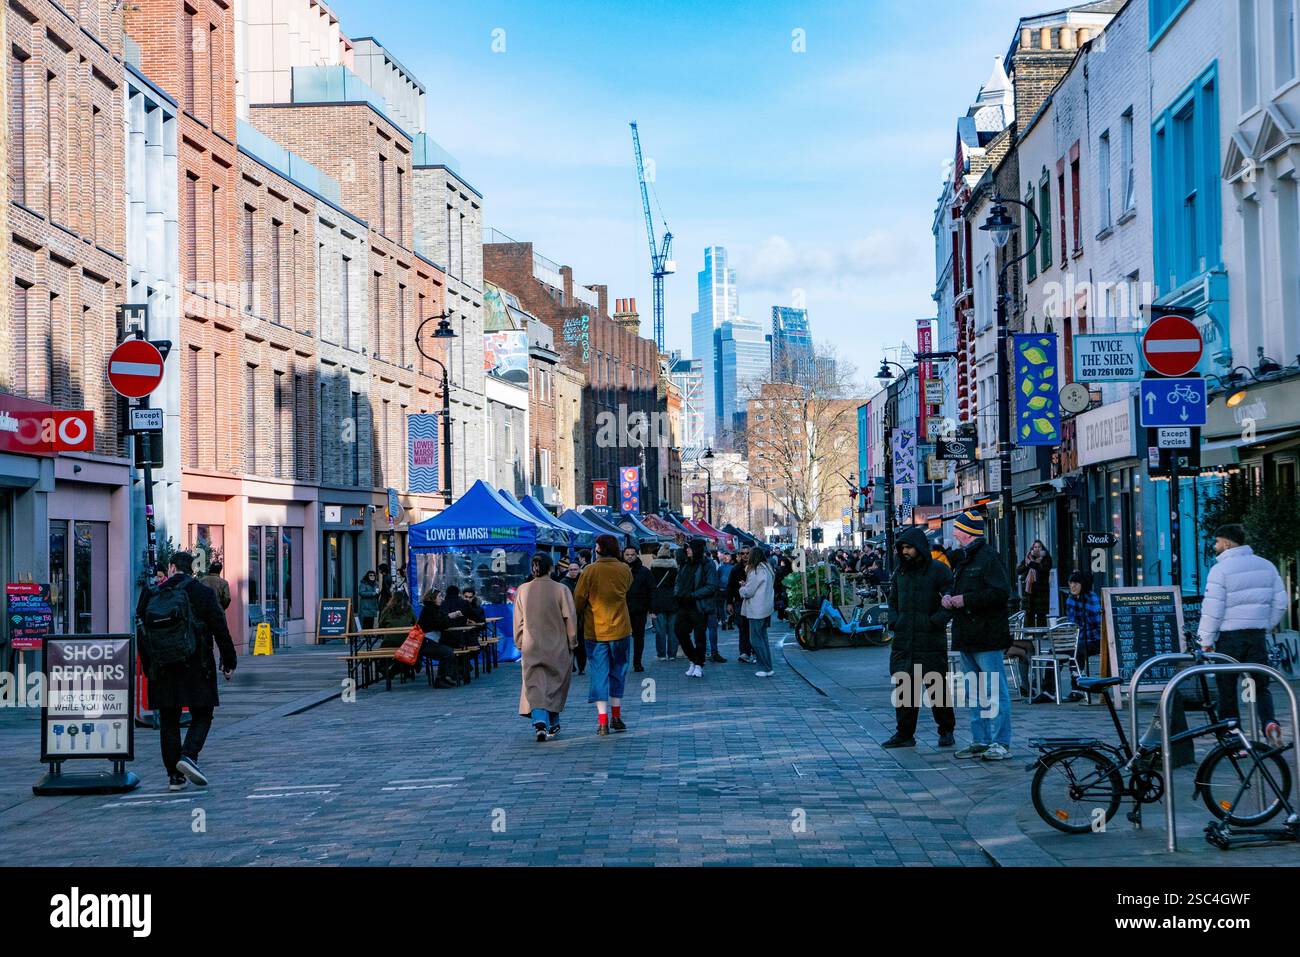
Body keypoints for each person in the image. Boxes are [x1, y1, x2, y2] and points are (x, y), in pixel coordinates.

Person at [136, 551, 237, 792]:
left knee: (169, 719)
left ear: (171, 567)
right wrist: (228, 661)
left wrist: (149, 665)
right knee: (203, 713)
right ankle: (189, 755)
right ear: (192, 570)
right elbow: (219, 628)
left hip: (162, 668)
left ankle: (174, 777)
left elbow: (142, 629)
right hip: (196, 664)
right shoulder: (202, 593)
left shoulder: (152, 593)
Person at [1197, 524, 1289, 745]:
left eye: (1217, 541)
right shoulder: (1266, 566)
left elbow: (1213, 610)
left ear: (1227, 543)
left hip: (1230, 639)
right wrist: (1264, 625)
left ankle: (1234, 739)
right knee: (1259, 685)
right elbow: (1281, 602)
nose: (1215, 546)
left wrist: (1205, 642)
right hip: (1256, 636)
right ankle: (1269, 722)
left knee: (1227, 688)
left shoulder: (1220, 570)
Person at [942, 510, 1013, 761]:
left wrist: (964, 600)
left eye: (957, 528)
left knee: (994, 691)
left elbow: (1001, 593)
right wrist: (950, 598)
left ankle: (1000, 742)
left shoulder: (988, 558)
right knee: (974, 692)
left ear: (966, 532)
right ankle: (980, 740)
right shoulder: (964, 559)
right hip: (968, 635)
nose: (953, 533)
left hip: (987, 636)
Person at [883, 527, 956, 749]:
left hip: (930, 639)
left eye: (909, 547)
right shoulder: (900, 572)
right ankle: (904, 734)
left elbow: (950, 601)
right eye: (902, 548)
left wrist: (935, 621)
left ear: (919, 548)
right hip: (904, 640)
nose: (905, 552)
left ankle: (946, 730)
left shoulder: (939, 570)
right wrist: (895, 621)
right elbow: (893, 600)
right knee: (905, 688)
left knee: (936, 688)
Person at [574, 535, 633, 735]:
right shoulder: (624, 569)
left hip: (596, 632)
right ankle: (617, 716)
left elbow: (578, 601)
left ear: (599, 549)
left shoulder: (589, 571)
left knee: (599, 675)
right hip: (621, 629)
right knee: (618, 672)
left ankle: (602, 722)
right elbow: (627, 589)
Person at [516, 553, 578, 741]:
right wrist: (572, 642)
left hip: (531, 644)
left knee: (534, 683)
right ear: (551, 568)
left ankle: (540, 720)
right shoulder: (561, 589)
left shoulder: (523, 590)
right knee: (555, 683)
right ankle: (552, 720)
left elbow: (518, 622)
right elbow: (570, 619)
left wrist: (520, 642)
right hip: (557, 644)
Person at [673, 537, 717, 677]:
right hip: (684, 604)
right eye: (687, 548)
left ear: (697, 549)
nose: (687, 550)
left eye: (690, 548)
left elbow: (711, 586)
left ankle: (698, 664)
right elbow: (679, 580)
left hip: (699, 605)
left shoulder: (707, 564)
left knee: (699, 636)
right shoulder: (686, 563)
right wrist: (678, 593)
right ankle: (693, 659)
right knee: (680, 631)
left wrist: (693, 595)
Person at [739, 546, 776, 677]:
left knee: (755, 639)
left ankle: (764, 667)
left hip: (756, 609)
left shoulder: (755, 571)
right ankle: (768, 666)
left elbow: (748, 592)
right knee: (763, 638)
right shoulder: (768, 569)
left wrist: (742, 588)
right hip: (765, 608)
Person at [1063, 571, 1102, 678]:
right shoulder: (1070, 599)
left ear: (1083, 584)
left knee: (1077, 650)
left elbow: (1098, 623)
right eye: (1071, 583)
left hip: (1095, 640)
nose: (1072, 586)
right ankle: (1049, 690)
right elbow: (1072, 623)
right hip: (1077, 638)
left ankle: (1078, 686)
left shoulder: (1091, 598)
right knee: (1053, 652)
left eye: (1076, 583)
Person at [416, 589, 457, 688]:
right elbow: (440, 624)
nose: (441, 599)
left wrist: (449, 616)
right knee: (447, 653)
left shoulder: (434, 609)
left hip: (430, 641)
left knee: (449, 651)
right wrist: (450, 617)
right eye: (439, 596)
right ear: (433, 598)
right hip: (426, 643)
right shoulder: (430, 610)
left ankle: (444, 677)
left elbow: (442, 621)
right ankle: (440, 679)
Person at [623, 545, 654, 672]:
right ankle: (622, 663)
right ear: (623, 555)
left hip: (638, 609)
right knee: (621, 638)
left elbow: (651, 590)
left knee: (638, 637)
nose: (630, 557)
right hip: (621, 609)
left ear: (636, 555)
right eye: (627, 554)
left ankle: (637, 662)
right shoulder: (619, 570)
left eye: (632, 554)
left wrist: (651, 609)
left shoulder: (644, 571)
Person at [649, 545, 680, 661]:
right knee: (673, 631)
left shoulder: (653, 569)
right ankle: (672, 654)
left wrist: (651, 608)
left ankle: (661, 654)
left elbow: (651, 589)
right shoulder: (675, 569)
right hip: (673, 602)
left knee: (660, 631)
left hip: (658, 603)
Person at [557, 559, 587, 675]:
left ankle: (581, 667)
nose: (573, 572)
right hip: (568, 616)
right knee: (569, 642)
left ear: (580, 569)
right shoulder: (564, 582)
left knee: (581, 643)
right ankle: (571, 665)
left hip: (581, 617)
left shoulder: (583, 580)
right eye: (571, 570)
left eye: (575, 569)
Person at [727, 546, 755, 663]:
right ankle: (744, 652)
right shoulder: (735, 569)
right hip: (739, 602)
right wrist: (729, 603)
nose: (745, 555)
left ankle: (753, 651)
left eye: (747, 553)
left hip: (753, 602)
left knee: (752, 627)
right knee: (742, 627)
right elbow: (730, 586)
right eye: (742, 553)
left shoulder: (755, 568)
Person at [1016, 540, 1053, 629]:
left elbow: (1043, 569)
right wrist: (1027, 564)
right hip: (1029, 589)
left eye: (1039, 547)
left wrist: (1032, 564)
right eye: (1035, 547)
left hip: (1041, 589)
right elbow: (1019, 570)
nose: (1036, 549)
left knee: (1041, 612)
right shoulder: (1028, 558)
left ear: (1042, 548)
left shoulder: (1046, 558)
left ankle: (1042, 631)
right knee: (1029, 612)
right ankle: (1030, 632)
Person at [706, 552, 728, 662]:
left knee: (705, 629)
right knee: (710, 628)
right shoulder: (711, 564)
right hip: (709, 600)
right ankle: (712, 652)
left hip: (704, 601)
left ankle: (709, 651)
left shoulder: (695, 565)